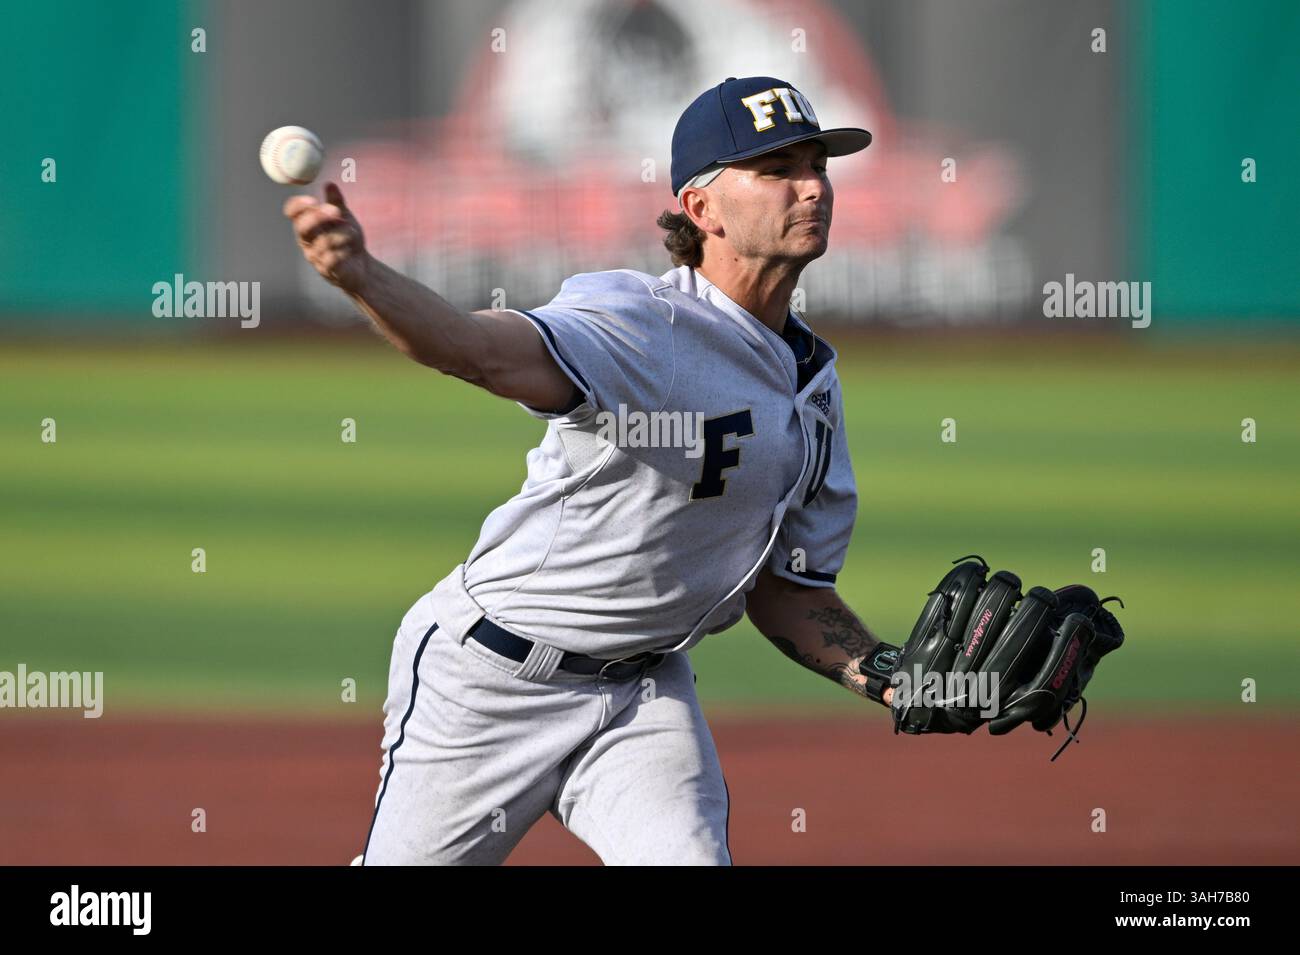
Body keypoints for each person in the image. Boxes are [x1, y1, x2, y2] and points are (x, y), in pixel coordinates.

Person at [284, 76, 891, 865]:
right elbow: (477, 350)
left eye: (817, 164)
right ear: (700, 209)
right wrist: (363, 276)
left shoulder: (812, 381)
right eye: (777, 169)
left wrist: (896, 678)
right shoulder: (639, 323)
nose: (811, 186)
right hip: (488, 683)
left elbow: (788, 589)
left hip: (642, 695)